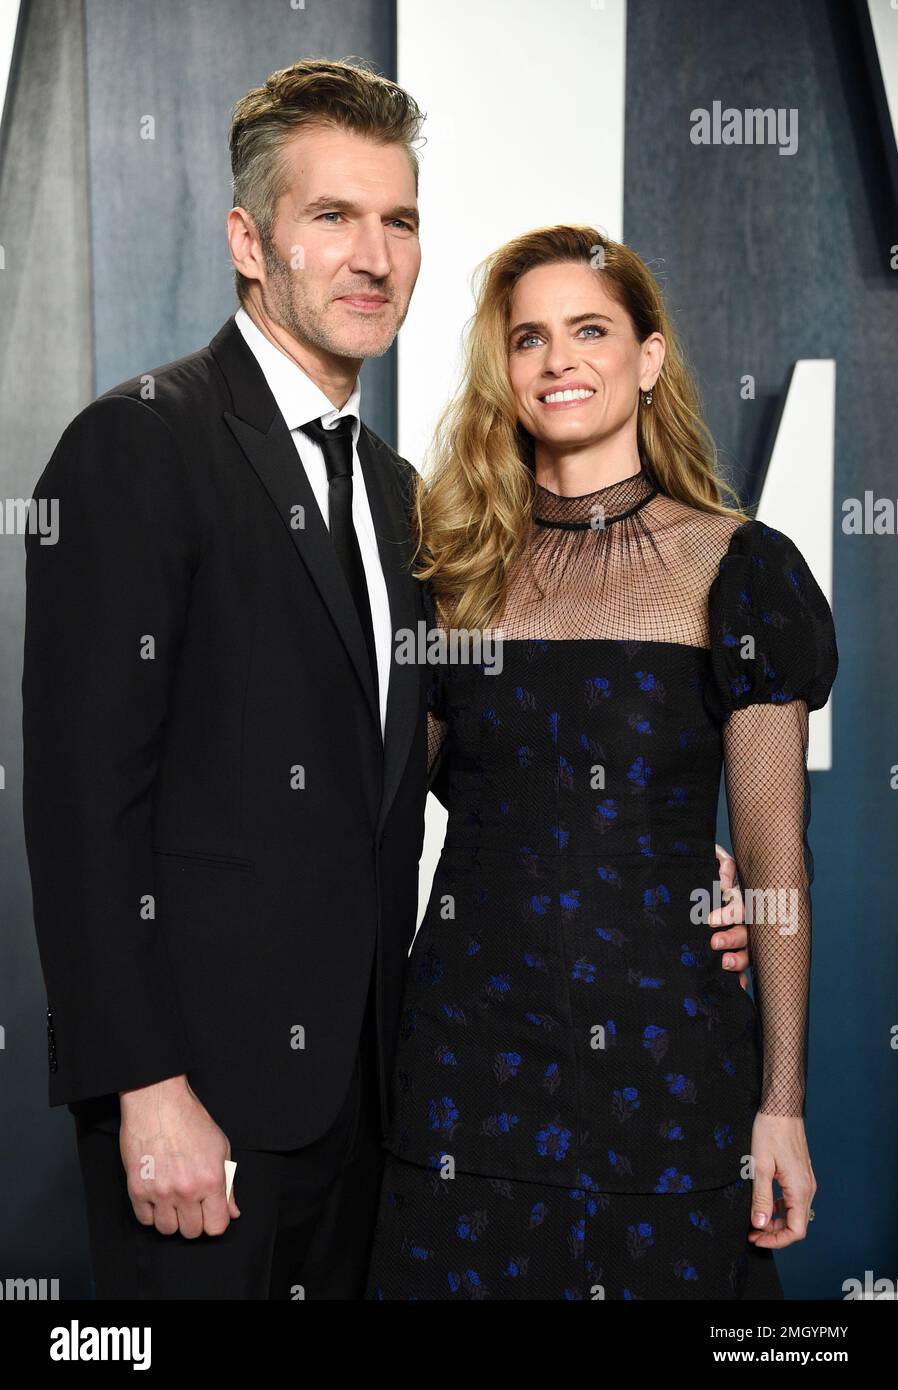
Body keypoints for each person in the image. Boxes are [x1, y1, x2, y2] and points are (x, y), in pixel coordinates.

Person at [22, 60, 753, 1301]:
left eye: (398, 220)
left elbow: (441, 755)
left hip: (381, 1099)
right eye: (332, 217)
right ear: (250, 244)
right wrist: (143, 1091)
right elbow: (82, 806)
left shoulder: (396, 492)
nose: (374, 255)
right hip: (202, 1111)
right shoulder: (139, 441)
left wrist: (668, 856)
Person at [365, 225, 838, 1300]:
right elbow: (383, 804)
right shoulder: (453, 572)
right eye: (528, 337)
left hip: (667, 1068)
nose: (558, 359)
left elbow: (773, 864)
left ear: (650, 357)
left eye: (589, 329)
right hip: (464, 1065)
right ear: (504, 369)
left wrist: (780, 1103)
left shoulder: (738, 567)